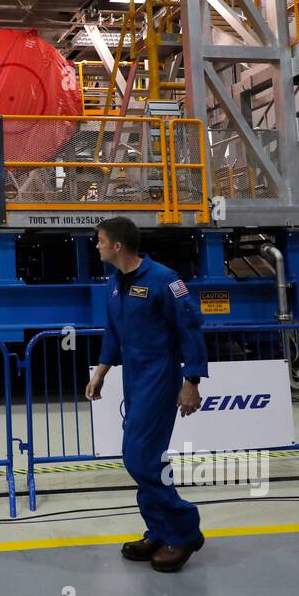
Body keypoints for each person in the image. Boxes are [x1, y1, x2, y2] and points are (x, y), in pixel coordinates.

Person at [85, 216, 210, 573]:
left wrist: (192, 381)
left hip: (159, 377)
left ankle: (183, 529)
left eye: (100, 240)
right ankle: (160, 529)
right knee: (141, 457)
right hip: (133, 380)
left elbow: (190, 329)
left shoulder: (164, 280)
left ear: (117, 246)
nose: (97, 246)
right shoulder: (115, 285)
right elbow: (113, 333)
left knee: (140, 458)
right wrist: (101, 372)